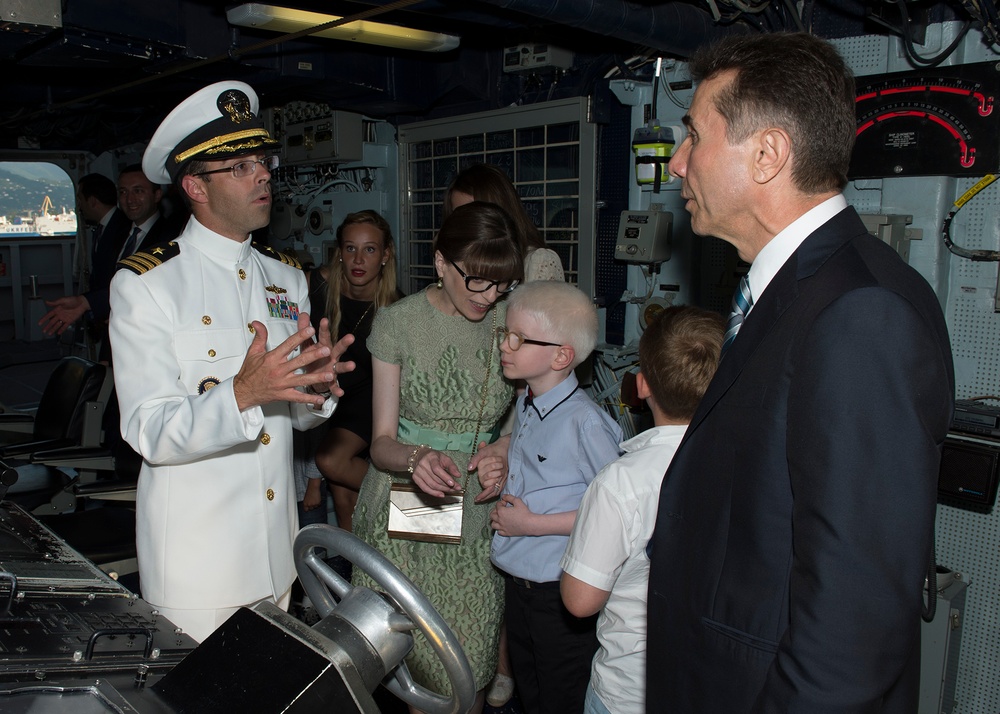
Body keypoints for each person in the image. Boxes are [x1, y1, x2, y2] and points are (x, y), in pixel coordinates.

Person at [645, 32, 954, 712]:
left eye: (694, 136)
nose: (676, 163)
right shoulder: (789, 291)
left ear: (767, 154)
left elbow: (852, 629)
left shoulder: (861, 312)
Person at [108, 80, 355, 644]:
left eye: (262, 161)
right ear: (194, 184)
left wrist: (316, 392)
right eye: (241, 167)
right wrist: (241, 394)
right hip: (199, 564)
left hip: (275, 553)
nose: (264, 174)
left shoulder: (286, 276)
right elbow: (148, 430)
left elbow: (292, 420)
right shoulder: (147, 284)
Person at [351, 200, 521, 714]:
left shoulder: (513, 319)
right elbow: (380, 442)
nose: (490, 296)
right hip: (407, 511)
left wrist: (505, 447)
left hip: (476, 517)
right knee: (413, 676)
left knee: (467, 670)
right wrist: (416, 456)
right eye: (477, 281)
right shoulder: (398, 323)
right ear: (441, 262)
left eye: (501, 283)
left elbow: (528, 412)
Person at [560, 305, 724, 714]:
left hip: (631, 690)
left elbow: (580, 600)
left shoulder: (621, 483)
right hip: (715, 683)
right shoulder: (755, 467)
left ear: (642, 385)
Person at [445, 163, 564, 708]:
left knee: (514, 538)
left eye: (468, 212)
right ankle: (490, 661)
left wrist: (510, 439)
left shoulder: (538, 263)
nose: (458, 223)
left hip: (521, 413)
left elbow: (544, 350)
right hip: (480, 406)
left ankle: (509, 665)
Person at [489, 280, 623, 714]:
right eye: (503, 334)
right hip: (520, 584)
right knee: (530, 690)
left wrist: (532, 524)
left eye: (517, 339)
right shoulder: (528, 402)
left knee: (560, 696)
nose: (504, 346)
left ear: (561, 355)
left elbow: (614, 509)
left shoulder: (585, 424)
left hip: (559, 593)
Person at [314, 210, 401, 532]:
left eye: (370, 249)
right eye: (350, 248)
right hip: (330, 398)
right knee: (343, 501)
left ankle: (408, 497)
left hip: (373, 401)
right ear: (339, 253)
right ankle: (355, 575)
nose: (358, 259)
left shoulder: (396, 309)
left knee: (331, 462)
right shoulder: (318, 290)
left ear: (385, 255)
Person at [445, 163, 564, 282]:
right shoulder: (456, 262)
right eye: (458, 215)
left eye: (473, 214)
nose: (464, 223)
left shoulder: (538, 262)